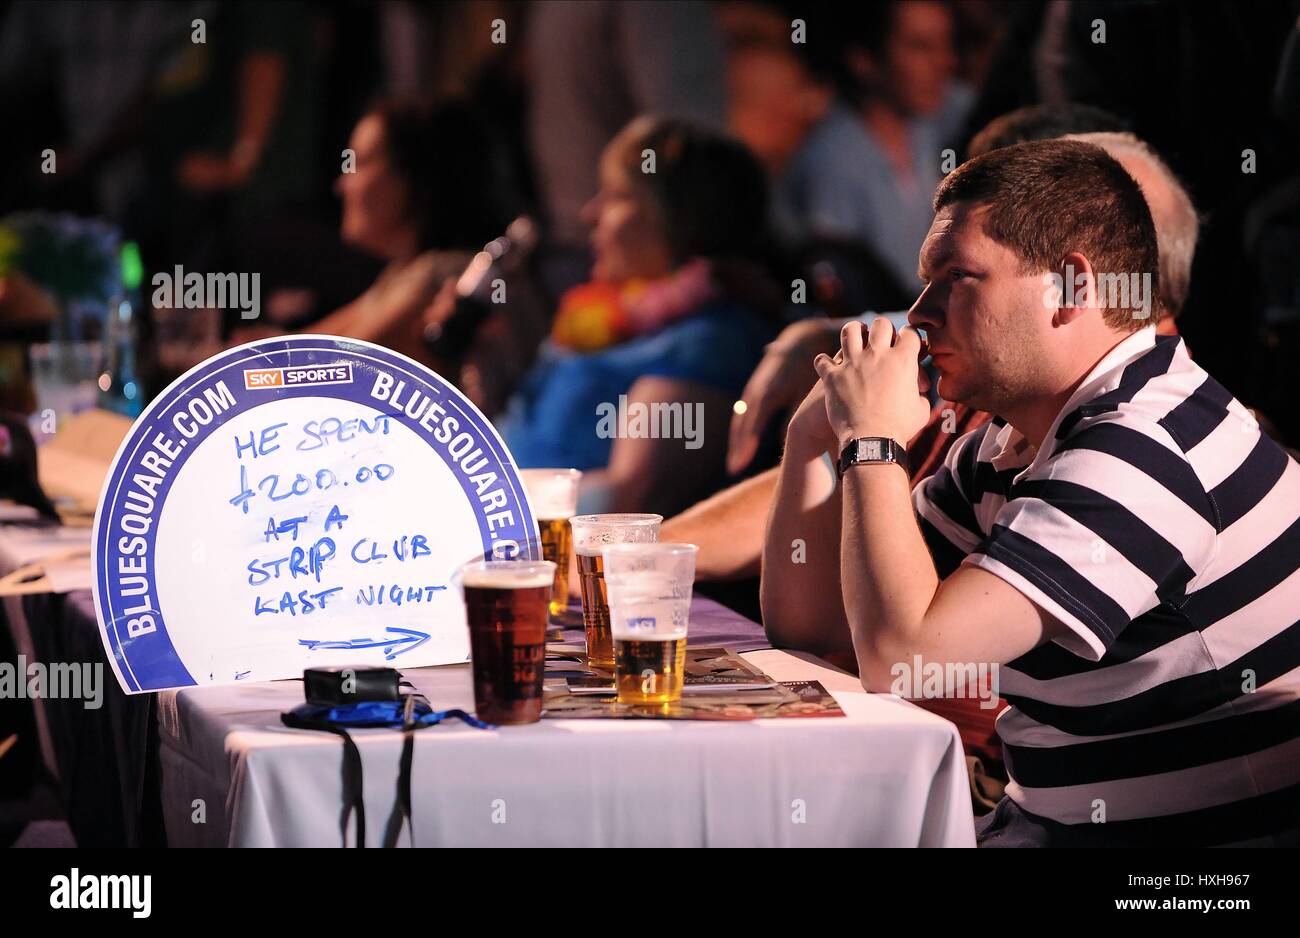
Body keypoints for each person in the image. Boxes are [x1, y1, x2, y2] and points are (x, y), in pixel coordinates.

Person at [763, 139, 1300, 846]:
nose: (920, 314)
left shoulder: (1144, 446)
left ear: (1072, 288)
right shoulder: (1015, 441)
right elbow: (818, 629)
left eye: (958, 277)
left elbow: (902, 660)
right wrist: (812, 439)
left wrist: (871, 443)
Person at [496, 116, 778, 518]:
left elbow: (629, 498)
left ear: (678, 217)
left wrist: (477, 499)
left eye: (616, 196)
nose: (590, 213)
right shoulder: (604, 318)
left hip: (556, 556)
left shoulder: (710, 340)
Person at [233, 99, 518, 366]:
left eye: (357, 163)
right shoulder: (401, 274)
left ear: (410, 175)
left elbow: (312, 366)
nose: (341, 185)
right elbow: (301, 348)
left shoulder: (444, 276)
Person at [781, 0, 970, 294]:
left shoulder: (945, 119)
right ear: (864, 60)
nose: (945, 62)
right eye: (920, 47)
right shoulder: (832, 163)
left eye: (947, 44)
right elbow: (839, 286)